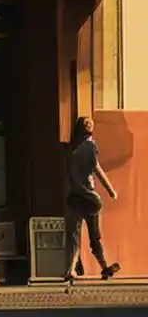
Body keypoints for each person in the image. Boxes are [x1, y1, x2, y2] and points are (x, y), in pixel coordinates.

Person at [65, 115, 120, 281]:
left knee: (74, 235)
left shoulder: (70, 148)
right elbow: (97, 169)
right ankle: (104, 266)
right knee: (94, 235)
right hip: (89, 198)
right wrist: (111, 191)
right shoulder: (90, 146)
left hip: (74, 196)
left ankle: (70, 268)